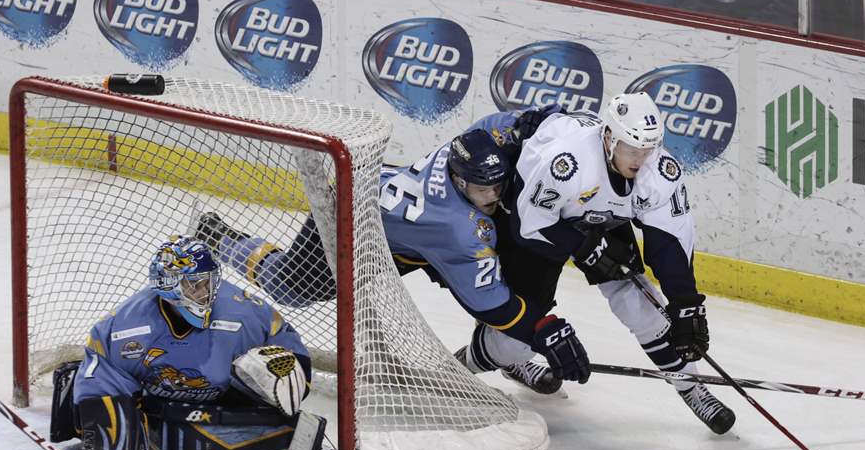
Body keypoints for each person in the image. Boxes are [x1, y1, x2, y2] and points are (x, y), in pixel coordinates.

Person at [196, 122, 591, 396]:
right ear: (457, 181)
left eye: (498, 185)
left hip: (410, 236)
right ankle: (222, 238)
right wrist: (540, 330)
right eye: (482, 189)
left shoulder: (463, 155)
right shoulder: (459, 229)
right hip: (352, 221)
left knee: (502, 267)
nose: (494, 195)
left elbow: (506, 126)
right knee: (290, 286)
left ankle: (509, 359)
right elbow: (491, 304)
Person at [456, 92, 737, 435]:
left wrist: (686, 305)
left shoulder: (659, 170)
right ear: (609, 138)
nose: (640, 159)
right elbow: (529, 225)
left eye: (647, 149)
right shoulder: (566, 163)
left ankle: (692, 388)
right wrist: (585, 247)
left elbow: (670, 244)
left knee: (640, 302)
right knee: (521, 328)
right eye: (632, 149)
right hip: (538, 218)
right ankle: (463, 367)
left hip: (599, 215)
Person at [49, 236, 327, 450]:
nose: (204, 292)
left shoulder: (245, 312)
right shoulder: (124, 326)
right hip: (156, 404)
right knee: (103, 431)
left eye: (208, 282)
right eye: (194, 284)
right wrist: (106, 444)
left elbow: (287, 344)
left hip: (226, 401)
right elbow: (103, 380)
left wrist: (290, 372)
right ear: (167, 285)